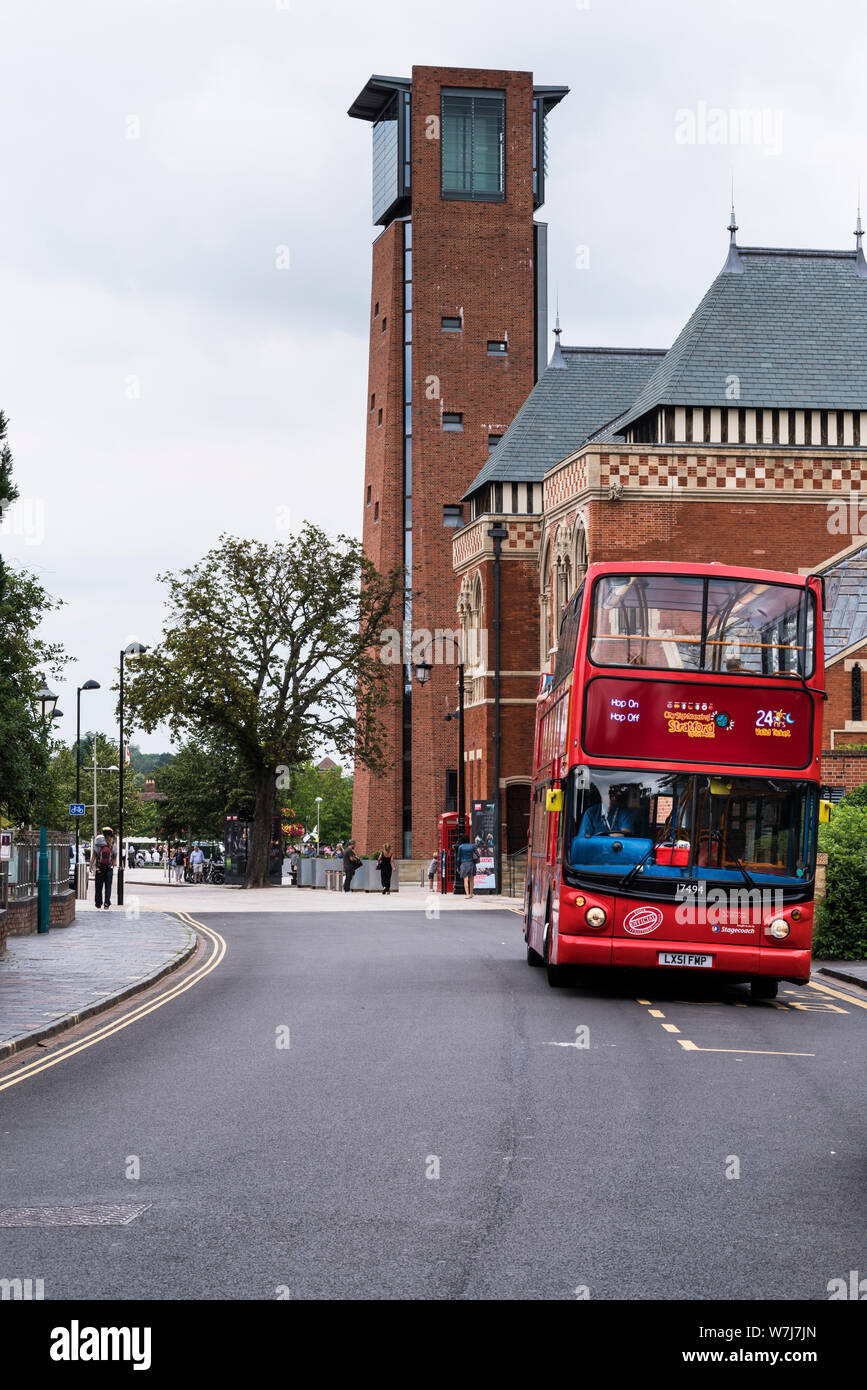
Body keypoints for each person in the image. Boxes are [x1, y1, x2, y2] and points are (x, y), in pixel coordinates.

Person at [91, 826, 117, 910]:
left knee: (98, 887)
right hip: (109, 868)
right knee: (108, 887)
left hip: (99, 868)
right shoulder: (112, 843)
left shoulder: (98, 843)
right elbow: (114, 856)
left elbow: (94, 855)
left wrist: (91, 865)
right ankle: (106, 903)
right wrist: (114, 863)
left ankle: (98, 903)